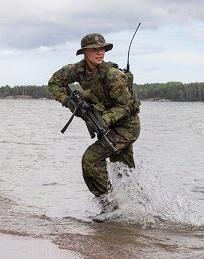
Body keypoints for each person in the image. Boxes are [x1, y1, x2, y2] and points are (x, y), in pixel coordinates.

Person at [48, 33, 141, 199]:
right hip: (109, 126)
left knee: (91, 159)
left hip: (127, 126)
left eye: (102, 49)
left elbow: (126, 107)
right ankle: (135, 209)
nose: (100, 52)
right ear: (85, 52)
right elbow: (54, 83)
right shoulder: (78, 70)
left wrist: (104, 120)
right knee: (123, 172)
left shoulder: (112, 75)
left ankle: (108, 204)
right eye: (94, 49)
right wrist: (67, 101)